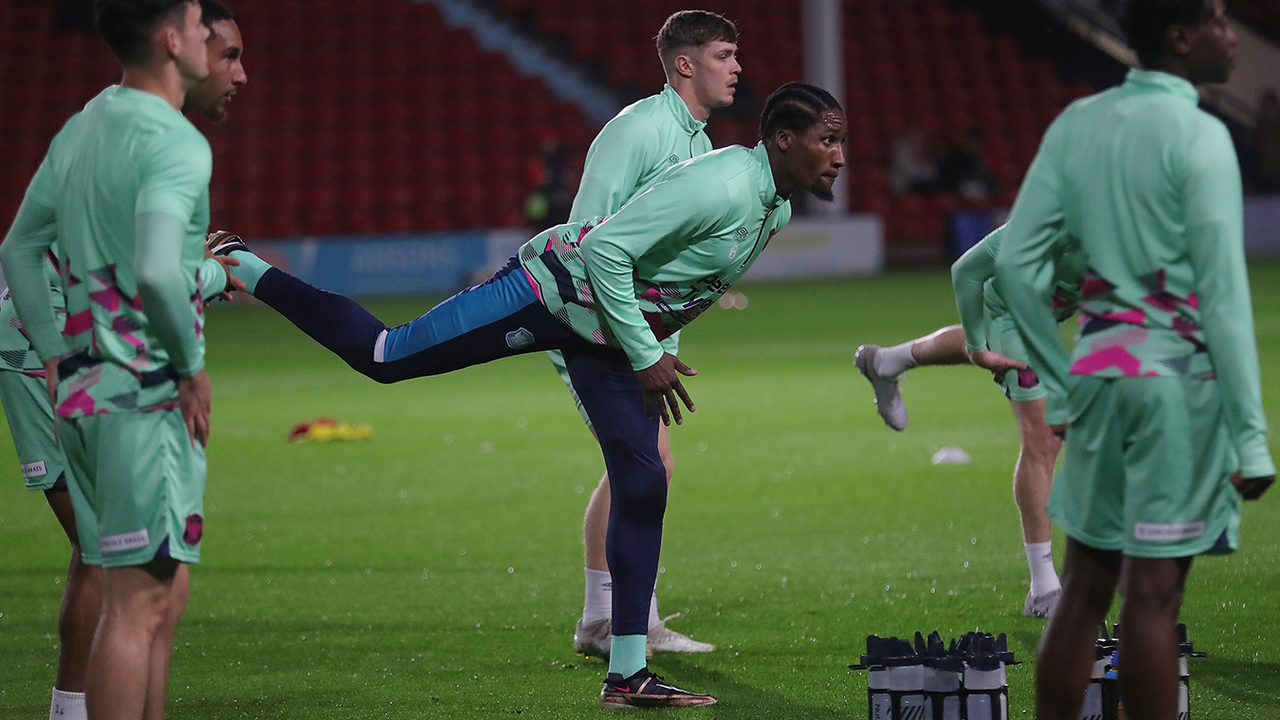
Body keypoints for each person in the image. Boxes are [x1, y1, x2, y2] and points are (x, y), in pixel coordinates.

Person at [210, 81, 845, 709]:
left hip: (604, 329)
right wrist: (649, 354)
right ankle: (249, 270)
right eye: (828, 140)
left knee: (645, 478)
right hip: (549, 292)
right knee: (385, 357)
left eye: (841, 141)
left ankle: (627, 676)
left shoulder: (775, 205)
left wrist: (658, 341)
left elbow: (678, 280)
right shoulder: (724, 184)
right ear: (784, 140)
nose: (840, 155)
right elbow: (605, 248)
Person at [992, 1, 1274, 718]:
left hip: (1098, 376)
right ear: (1179, 38)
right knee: (1152, 598)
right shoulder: (1201, 135)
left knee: (1085, 588)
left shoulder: (1077, 123)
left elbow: (1017, 267)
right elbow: (1222, 296)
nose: (1231, 33)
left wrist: (1056, 380)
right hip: (1175, 387)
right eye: (1215, 19)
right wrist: (1250, 435)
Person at [0, 1, 243, 718]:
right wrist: (189, 367)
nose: (212, 43)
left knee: (142, 594)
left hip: (80, 389)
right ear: (173, 40)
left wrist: (52, 355)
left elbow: (17, 248)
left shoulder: (84, 125)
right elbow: (159, 272)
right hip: (141, 393)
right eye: (204, 30)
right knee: (138, 607)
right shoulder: (175, 143)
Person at [555, 8, 738, 660]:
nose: (736, 67)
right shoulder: (635, 131)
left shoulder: (700, 147)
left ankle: (610, 618)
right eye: (723, 55)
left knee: (639, 465)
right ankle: (615, 622)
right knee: (644, 464)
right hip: (598, 330)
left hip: (646, 335)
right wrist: (630, 344)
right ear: (684, 64)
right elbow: (585, 242)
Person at [853, 225, 1085, 619]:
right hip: (1010, 314)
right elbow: (966, 270)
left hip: (1045, 315)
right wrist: (979, 347)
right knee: (1044, 439)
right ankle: (1044, 589)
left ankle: (884, 361)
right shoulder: (1052, 214)